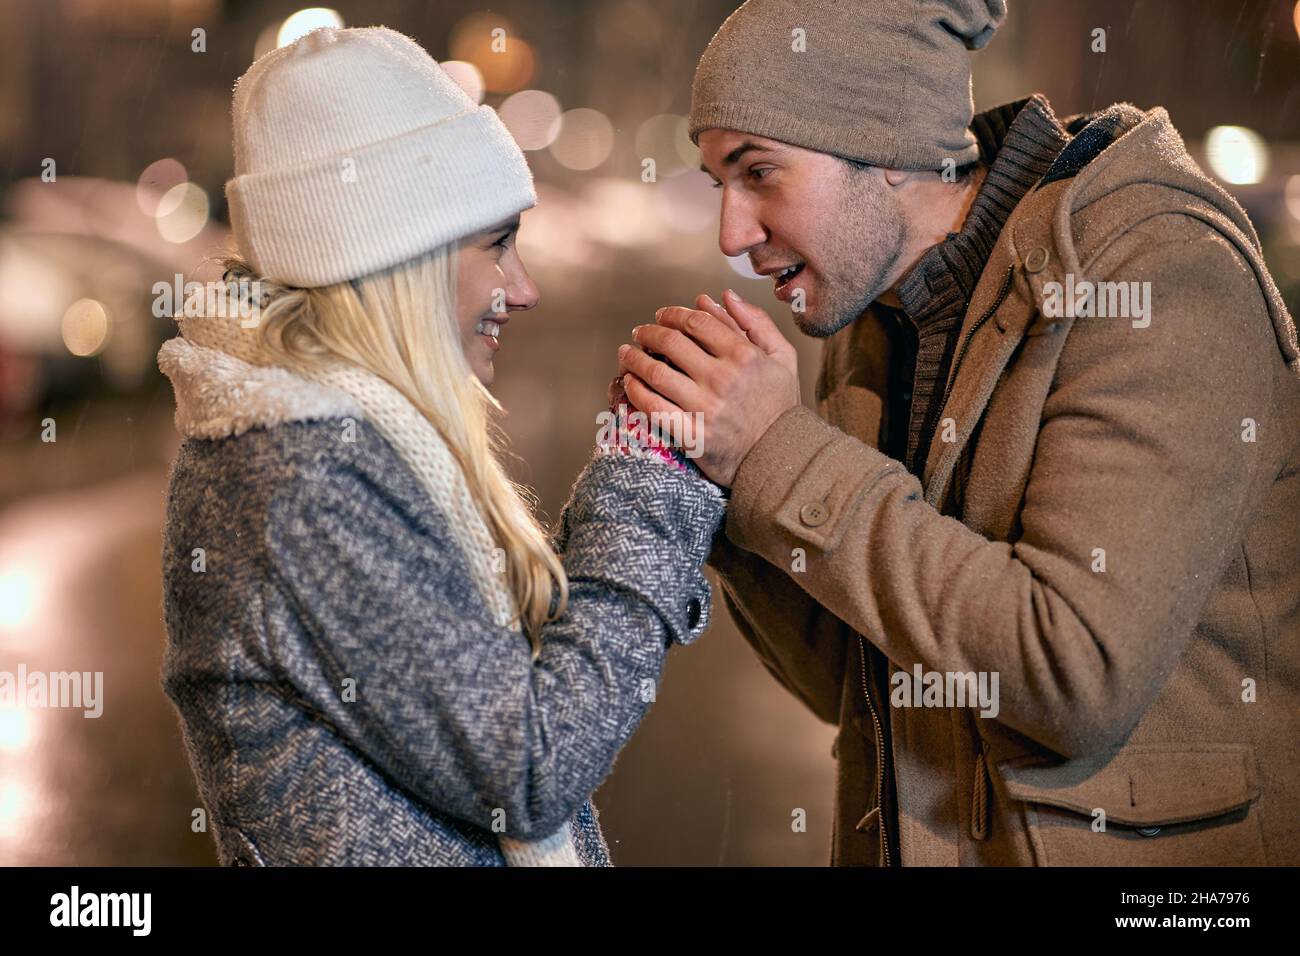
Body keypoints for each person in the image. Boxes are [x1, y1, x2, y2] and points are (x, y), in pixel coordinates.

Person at [618, 0, 1300, 865]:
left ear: (893, 151)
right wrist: (727, 482)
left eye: (760, 173)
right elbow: (861, 682)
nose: (732, 233)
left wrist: (776, 453)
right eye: (720, 181)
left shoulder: (1154, 271)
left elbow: (1072, 673)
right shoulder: (880, 316)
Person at [157, 25, 724, 867]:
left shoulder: (323, 445)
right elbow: (530, 767)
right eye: (497, 245)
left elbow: (475, 691)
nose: (523, 290)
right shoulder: (305, 476)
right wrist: (644, 479)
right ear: (400, 259)